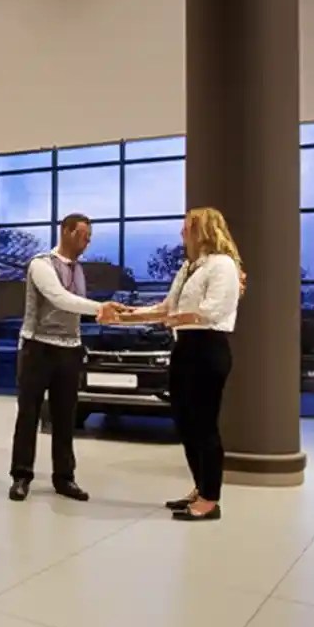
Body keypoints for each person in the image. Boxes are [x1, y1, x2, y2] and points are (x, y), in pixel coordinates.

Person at [108, 207, 243, 522]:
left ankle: (211, 499)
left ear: (203, 230)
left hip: (208, 348)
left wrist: (172, 318)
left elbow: (211, 311)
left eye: (187, 228)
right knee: (185, 422)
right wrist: (127, 315)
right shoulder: (188, 267)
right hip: (184, 348)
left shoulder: (223, 266)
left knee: (205, 425)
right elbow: (167, 307)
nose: (182, 233)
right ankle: (200, 487)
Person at [8, 214, 123, 503]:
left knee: (65, 416)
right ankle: (21, 476)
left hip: (69, 349)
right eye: (83, 234)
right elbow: (59, 298)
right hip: (38, 348)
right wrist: (100, 307)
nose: (87, 241)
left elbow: (72, 306)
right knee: (29, 415)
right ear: (67, 232)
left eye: (89, 236)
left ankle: (64, 478)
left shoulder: (79, 269)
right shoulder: (41, 264)